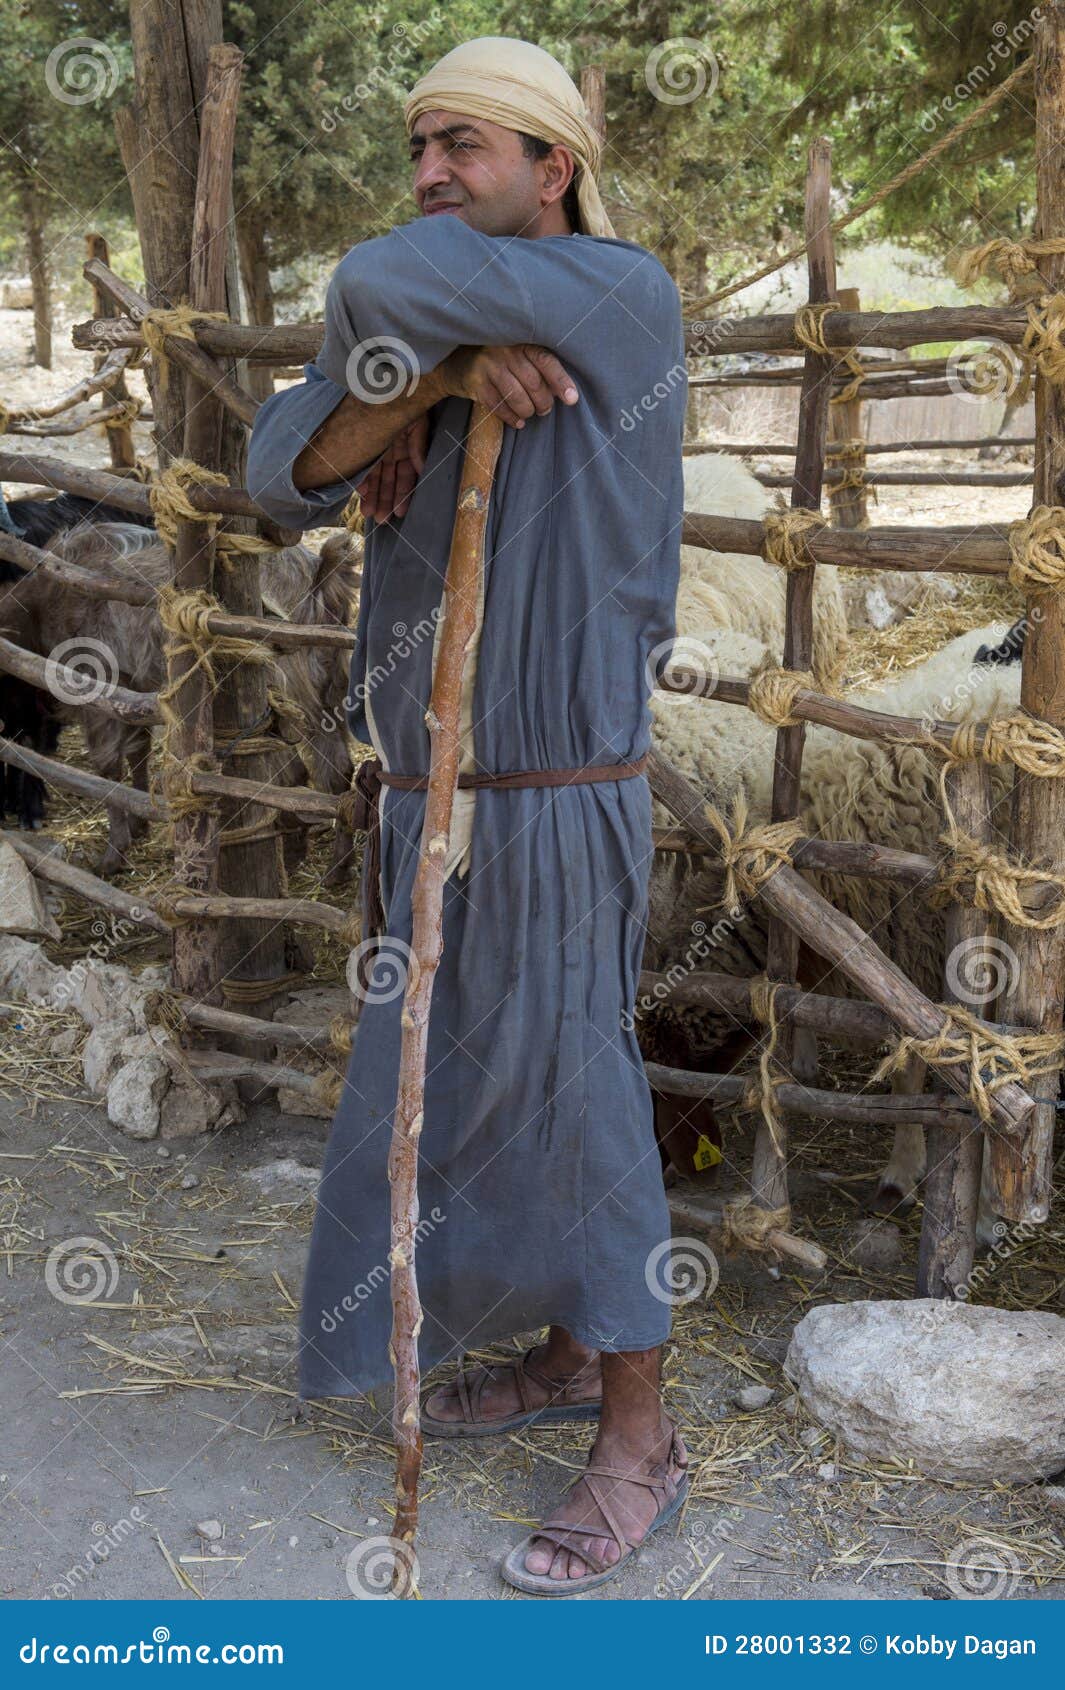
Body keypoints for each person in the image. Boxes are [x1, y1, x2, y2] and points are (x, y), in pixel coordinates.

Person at [246, 35, 689, 1596]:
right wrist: (427, 384)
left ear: (552, 168)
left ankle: (640, 1440)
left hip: (560, 793)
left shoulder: (623, 296)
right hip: (425, 794)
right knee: (446, 1091)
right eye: (420, 144)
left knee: (578, 1095)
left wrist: (399, 347)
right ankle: (568, 1350)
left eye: (467, 146)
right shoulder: (424, 332)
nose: (431, 171)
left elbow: (372, 271)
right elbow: (278, 470)